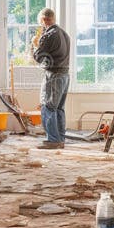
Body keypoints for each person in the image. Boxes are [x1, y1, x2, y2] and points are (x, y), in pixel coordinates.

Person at [32, 8, 70, 149]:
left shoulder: (49, 35)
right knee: (59, 108)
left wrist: (35, 44)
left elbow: (38, 57)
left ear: (44, 19)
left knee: (48, 107)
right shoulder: (64, 34)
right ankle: (60, 139)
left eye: (41, 21)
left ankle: (53, 140)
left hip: (54, 75)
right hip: (65, 74)